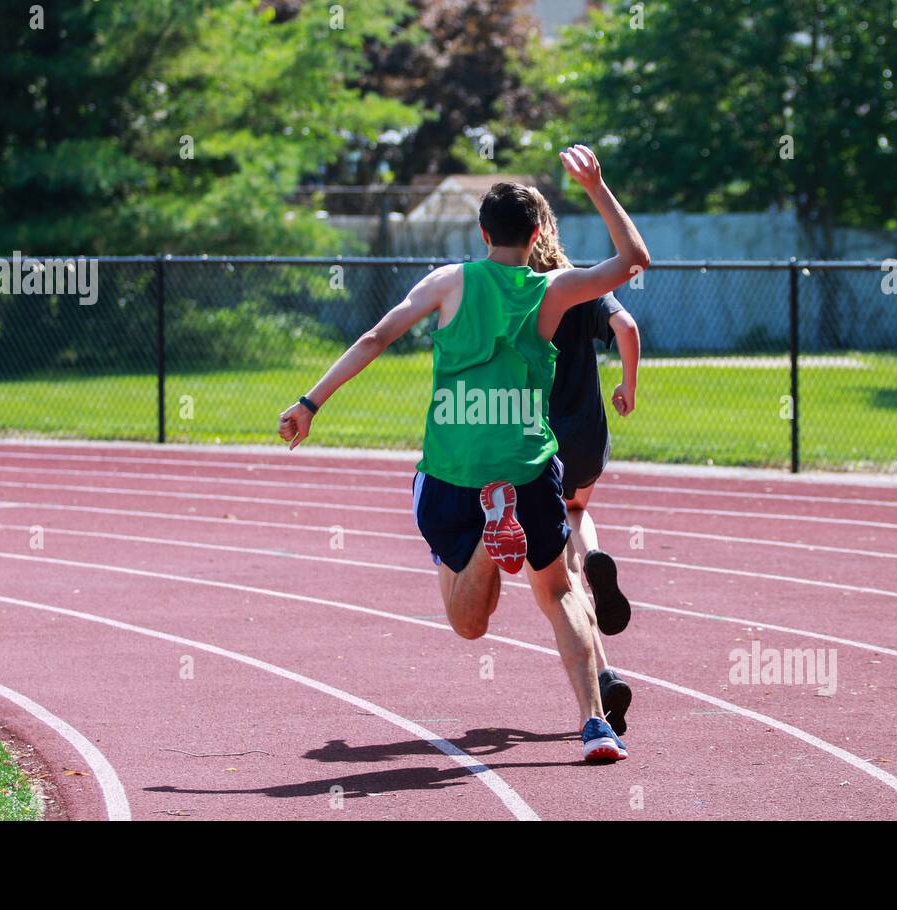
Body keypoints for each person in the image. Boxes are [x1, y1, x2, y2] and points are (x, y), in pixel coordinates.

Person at [278, 146, 649, 762]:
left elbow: (376, 337)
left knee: (468, 625)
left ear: (482, 233)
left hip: (453, 470)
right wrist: (596, 186)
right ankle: (595, 726)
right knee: (558, 593)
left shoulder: (448, 282)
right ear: (536, 236)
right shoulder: (552, 290)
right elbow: (634, 261)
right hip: (526, 465)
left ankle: (485, 536)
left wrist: (310, 404)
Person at [526, 187, 640, 736]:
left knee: (560, 578)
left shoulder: (524, 291)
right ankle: (596, 555)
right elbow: (628, 328)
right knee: (576, 514)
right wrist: (627, 385)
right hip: (589, 432)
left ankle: (602, 676)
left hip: (536, 435)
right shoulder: (584, 284)